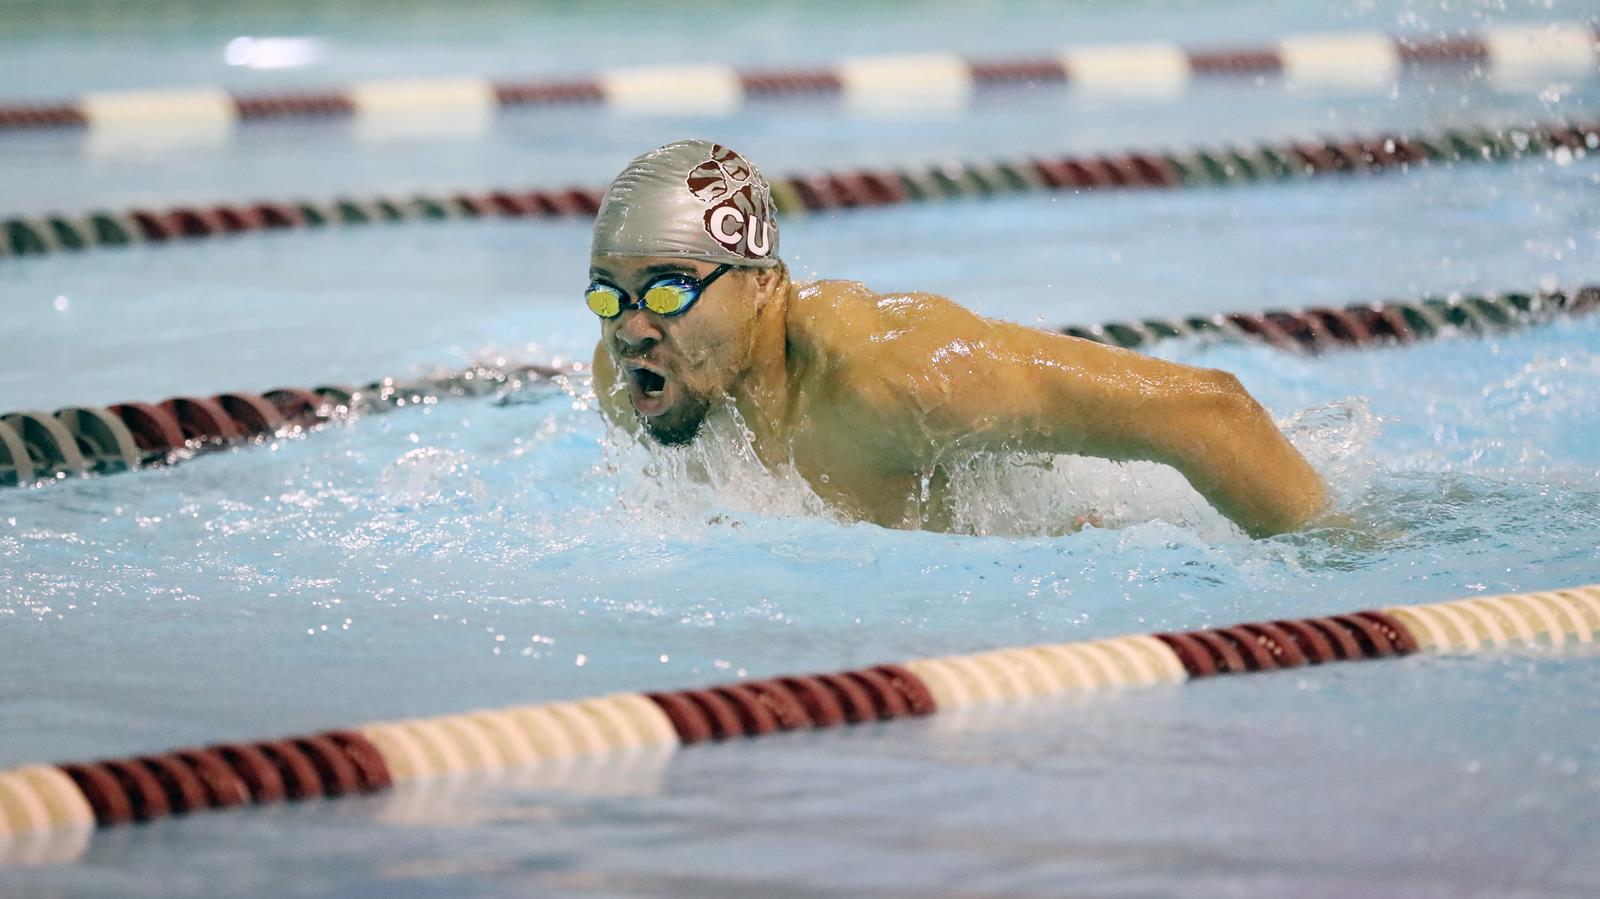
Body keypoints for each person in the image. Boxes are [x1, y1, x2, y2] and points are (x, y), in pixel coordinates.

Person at [587, 140, 1327, 537]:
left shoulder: (894, 379)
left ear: (762, 281)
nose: (630, 329)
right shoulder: (643, 382)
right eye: (609, 295)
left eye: (666, 289)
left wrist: (1338, 559)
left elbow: (1207, 409)